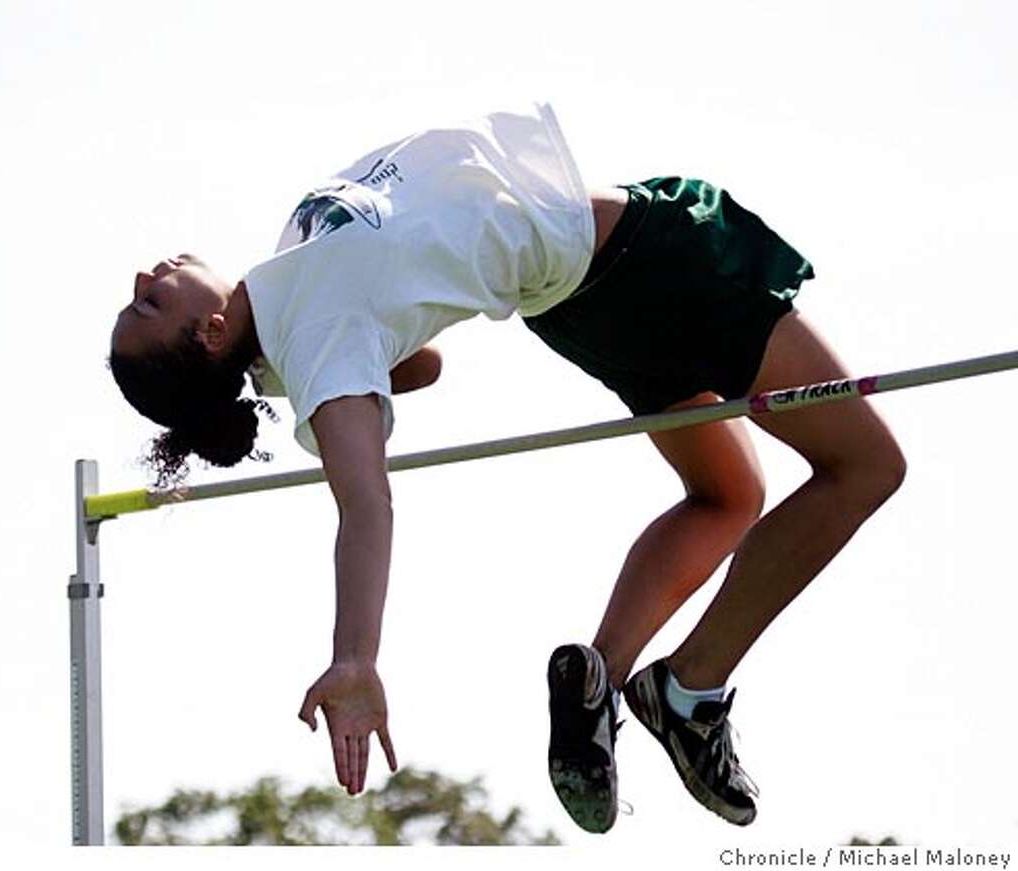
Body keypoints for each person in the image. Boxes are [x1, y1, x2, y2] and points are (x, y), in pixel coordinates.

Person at [107, 103, 906, 834]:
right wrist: (356, 657)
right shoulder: (315, 338)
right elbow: (365, 505)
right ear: (210, 333)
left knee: (729, 494)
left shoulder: (296, 300)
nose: (147, 277)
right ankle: (693, 689)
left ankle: (609, 675)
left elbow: (422, 361)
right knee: (865, 466)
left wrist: (364, 357)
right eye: (149, 304)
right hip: (652, 259)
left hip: (579, 306)